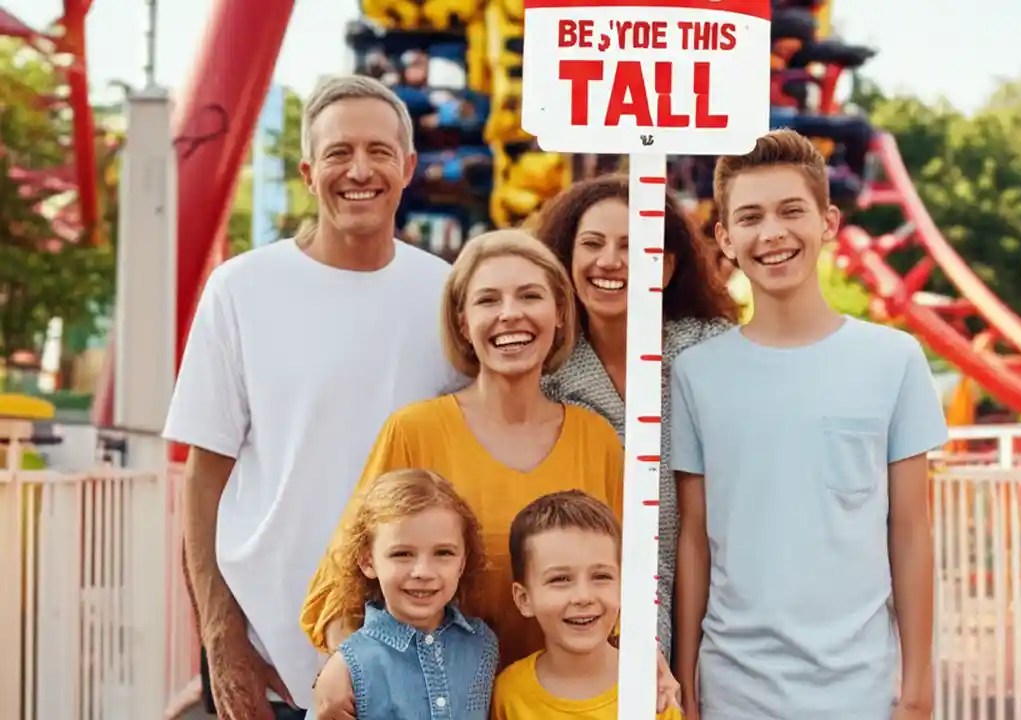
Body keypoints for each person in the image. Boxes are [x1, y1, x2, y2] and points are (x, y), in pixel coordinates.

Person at [162, 75, 463, 719]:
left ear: (408, 167)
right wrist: (220, 640)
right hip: (265, 652)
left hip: (409, 660)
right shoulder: (242, 289)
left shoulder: (446, 295)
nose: (360, 170)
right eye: (338, 152)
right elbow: (203, 479)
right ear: (307, 171)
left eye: (380, 151)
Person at [304, 230, 677, 718]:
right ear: (463, 323)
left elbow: (627, 581)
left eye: (530, 295)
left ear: (560, 314)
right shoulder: (414, 430)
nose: (510, 314)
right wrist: (342, 666)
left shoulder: (596, 438)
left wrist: (647, 656)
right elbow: (341, 577)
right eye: (488, 300)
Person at [671, 129, 948, 720]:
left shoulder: (894, 359)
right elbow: (694, 538)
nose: (771, 233)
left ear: (827, 221)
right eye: (749, 217)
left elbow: (911, 530)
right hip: (733, 689)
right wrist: (688, 684)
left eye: (790, 211)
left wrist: (918, 687)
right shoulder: (696, 374)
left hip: (861, 690)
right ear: (725, 237)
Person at [532, 175, 738, 660]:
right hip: (584, 626)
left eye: (632, 245)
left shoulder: (712, 354)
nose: (609, 261)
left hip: (720, 613)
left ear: (664, 267)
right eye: (592, 244)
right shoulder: (540, 373)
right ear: (565, 262)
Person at [491, 490, 683, 720]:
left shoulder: (652, 690)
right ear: (524, 599)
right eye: (560, 579)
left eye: (601, 576)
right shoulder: (509, 693)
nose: (583, 596)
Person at [325, 468, 498, 719]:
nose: (423, 572)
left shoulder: (483, 644)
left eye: (443, 553)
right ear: (368, 562)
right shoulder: (350, 666)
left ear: (462, 562)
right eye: (402, 554)